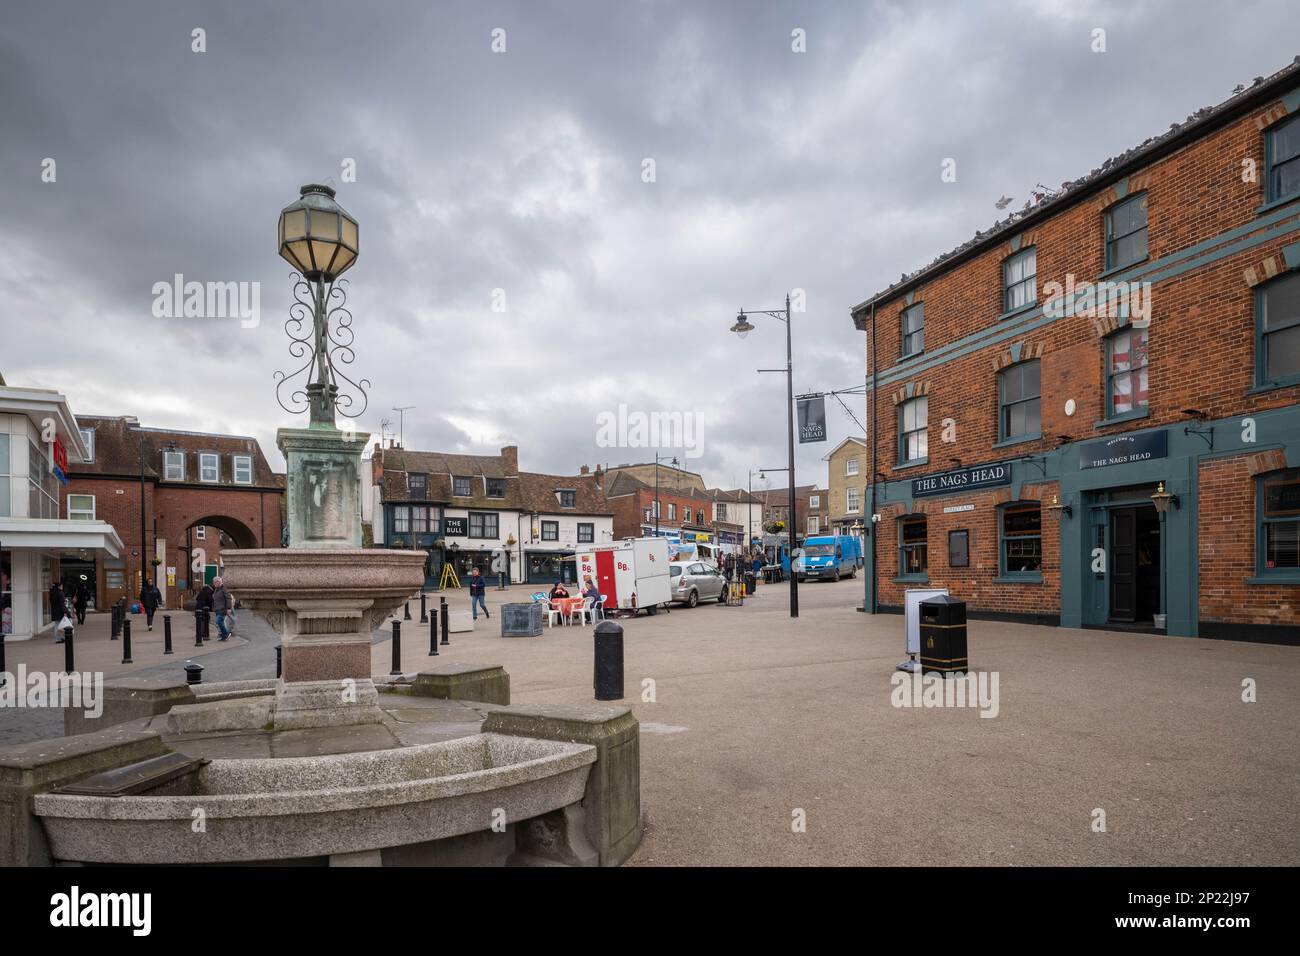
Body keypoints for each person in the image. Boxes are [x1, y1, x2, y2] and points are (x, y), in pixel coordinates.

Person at [211, 577, 233, 641]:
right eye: (213, 582)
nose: (214, 583)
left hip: (223, 609)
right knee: (220, 622)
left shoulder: (224, 589)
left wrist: (229, 608)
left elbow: (228, 598)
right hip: (217, 609)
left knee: (218, 621)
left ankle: (226, 633)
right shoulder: (216, 589)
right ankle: (224, 636)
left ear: (219, 582)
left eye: (215, 582)